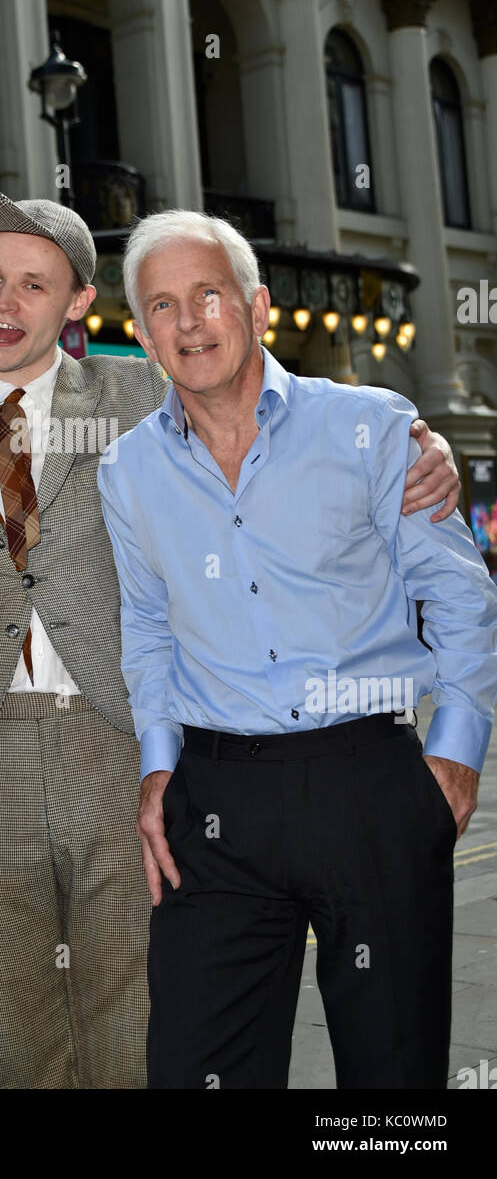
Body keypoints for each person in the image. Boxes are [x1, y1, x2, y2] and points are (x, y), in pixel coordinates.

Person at [0, 187, 460, 1090]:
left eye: (34, 284)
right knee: (22, 1026)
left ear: (76, 304)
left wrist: (426, 442)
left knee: (135, 1015)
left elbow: (262, 395)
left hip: (117, 744)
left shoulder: (143, 391)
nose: (3, 303)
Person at [96, 210, 497, 1090]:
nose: (189, 321)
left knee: (390, 1086)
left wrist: (453, 757)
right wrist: (158, 768)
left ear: (258, 306)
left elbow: (460, 594)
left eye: (208, 294)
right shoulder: (126, 471)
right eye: (163, 306)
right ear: (141, 335)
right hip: (215, 801)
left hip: (370, 785)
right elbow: (148, 627)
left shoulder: (371, 426)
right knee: (197, 1068)